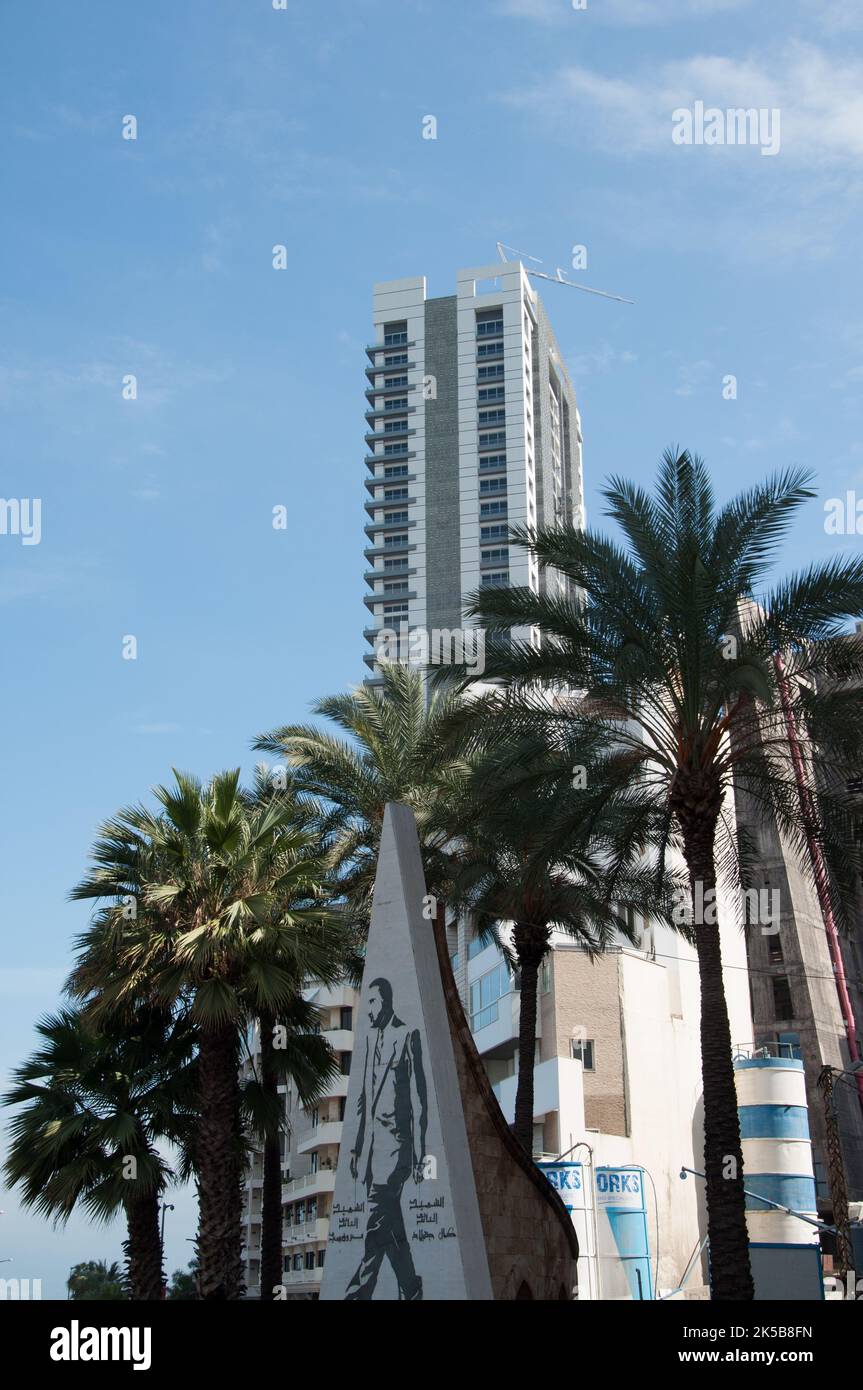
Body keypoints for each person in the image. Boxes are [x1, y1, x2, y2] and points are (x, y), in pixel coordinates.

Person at [346, 977, 428, 1300]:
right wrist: (355, 1149)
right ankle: (411, 1288)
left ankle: (356, 1294)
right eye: (366, 1004)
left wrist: (421, 1154)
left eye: (373, 1003)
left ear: (387, 1002)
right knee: (391, 1230)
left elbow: (420, 1100)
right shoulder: (368, 1040)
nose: (368, 1010)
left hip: (396, 1153)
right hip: (370, 1154)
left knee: (374, 1226)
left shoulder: (408, 1035)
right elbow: (362, 1100)